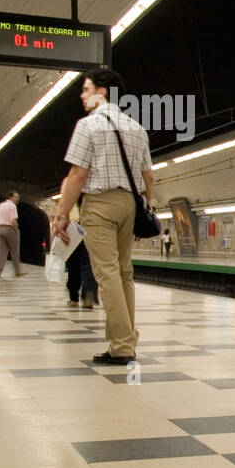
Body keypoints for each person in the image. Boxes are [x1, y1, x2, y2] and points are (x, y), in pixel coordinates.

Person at [51, 68, 154, 366]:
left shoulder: (88, 125)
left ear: (103, 91)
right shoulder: (136, 127)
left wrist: (61, 216)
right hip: (129, 204)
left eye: (86, 89)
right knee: (124, 273)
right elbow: (149, 178)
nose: (82, 95)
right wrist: (143, 209)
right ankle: (123, 340)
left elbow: (77, 174)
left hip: (100, 204)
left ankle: (122, 345)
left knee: (107, 273)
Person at [63, 197, 98, 309]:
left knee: (73, 265)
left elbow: (64, 214)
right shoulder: (93, 197)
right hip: (91, 230)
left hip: (74, 232)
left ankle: (73, 298)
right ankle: (89, 294)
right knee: (89, 264)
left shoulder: (71, 194)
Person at [0, 191, 23, 279]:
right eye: (16, 197)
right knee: (14, 251)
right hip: (10, 229)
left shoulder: (1, 205)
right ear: (10, 197)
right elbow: (13, 220)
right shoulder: (12, 206)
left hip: (0, 229)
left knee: (1, 251)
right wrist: (16, 229)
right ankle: (18, 271)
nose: (17, 199)